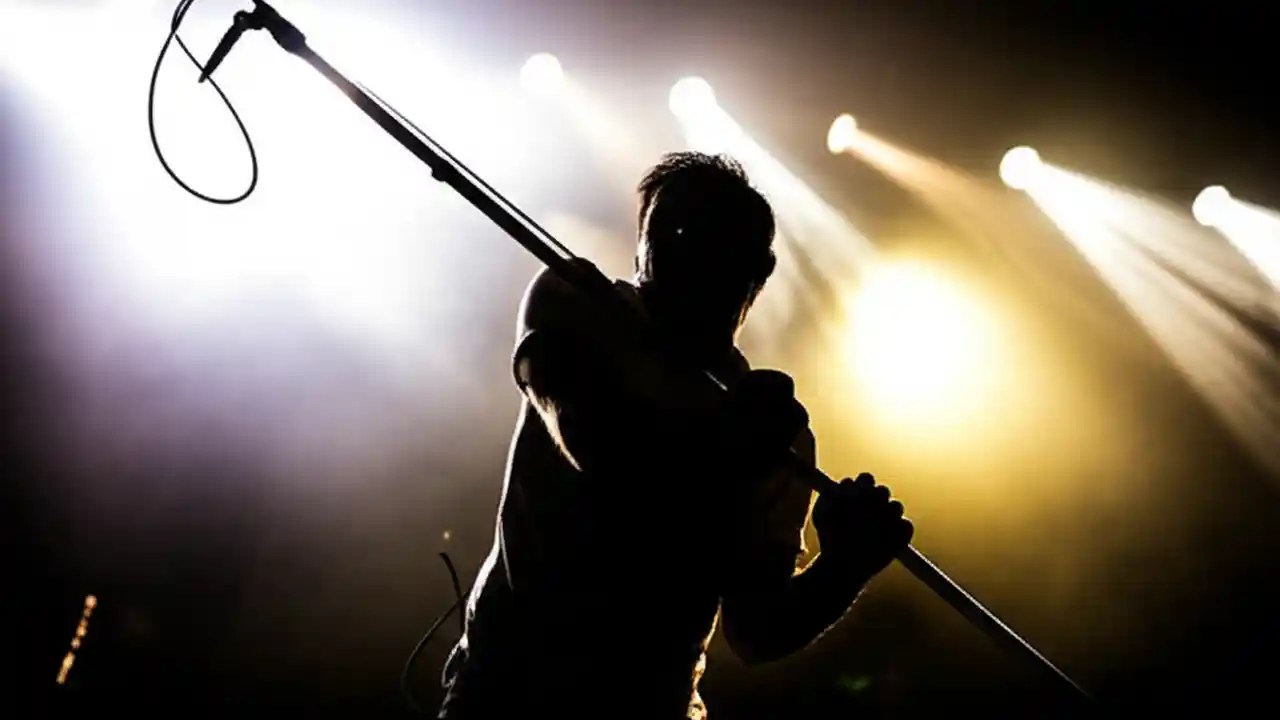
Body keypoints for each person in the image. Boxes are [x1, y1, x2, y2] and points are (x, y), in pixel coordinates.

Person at [438, 151, 913, 719]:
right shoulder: (576, 304)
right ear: (640, 245)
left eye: (719, 240)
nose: (692, 253)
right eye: (675, 230)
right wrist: (733, 449)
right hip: (505, 701)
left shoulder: (778, 434)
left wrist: (846, 566)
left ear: (758, 272)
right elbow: (595, 446)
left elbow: (759, 631)